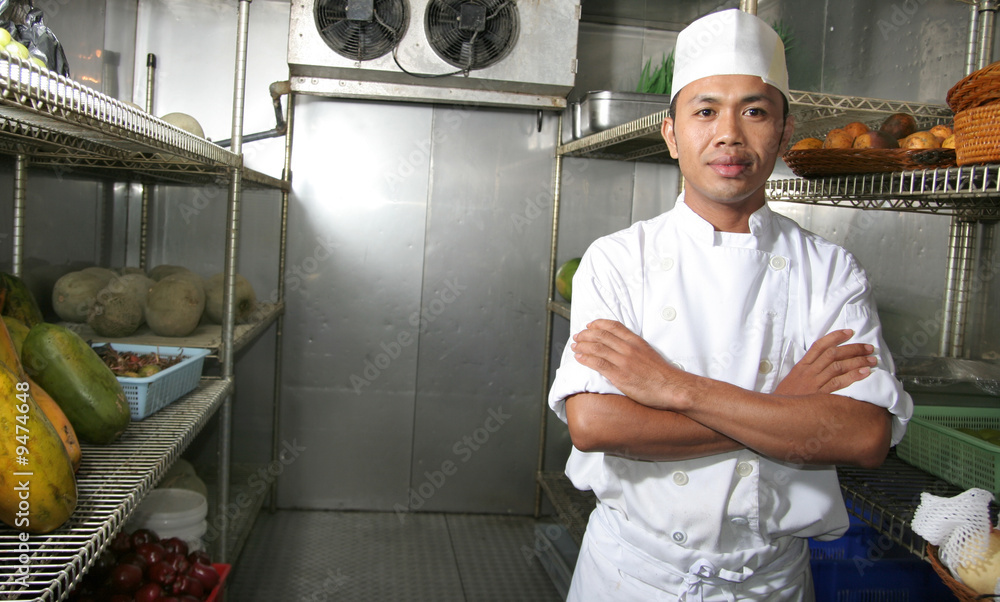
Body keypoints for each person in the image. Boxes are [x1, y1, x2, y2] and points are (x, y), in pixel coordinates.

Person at [547, 8, 914, 601]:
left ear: (784, 131)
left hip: (768, 583)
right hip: (631, 575)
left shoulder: (830, 271)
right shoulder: (617, 260)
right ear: (671, 134)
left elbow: (863, 434)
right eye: (705, 110)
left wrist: (674, 387)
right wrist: (784, 408)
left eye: (755, 111)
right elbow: (596, 424)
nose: (729, 134)